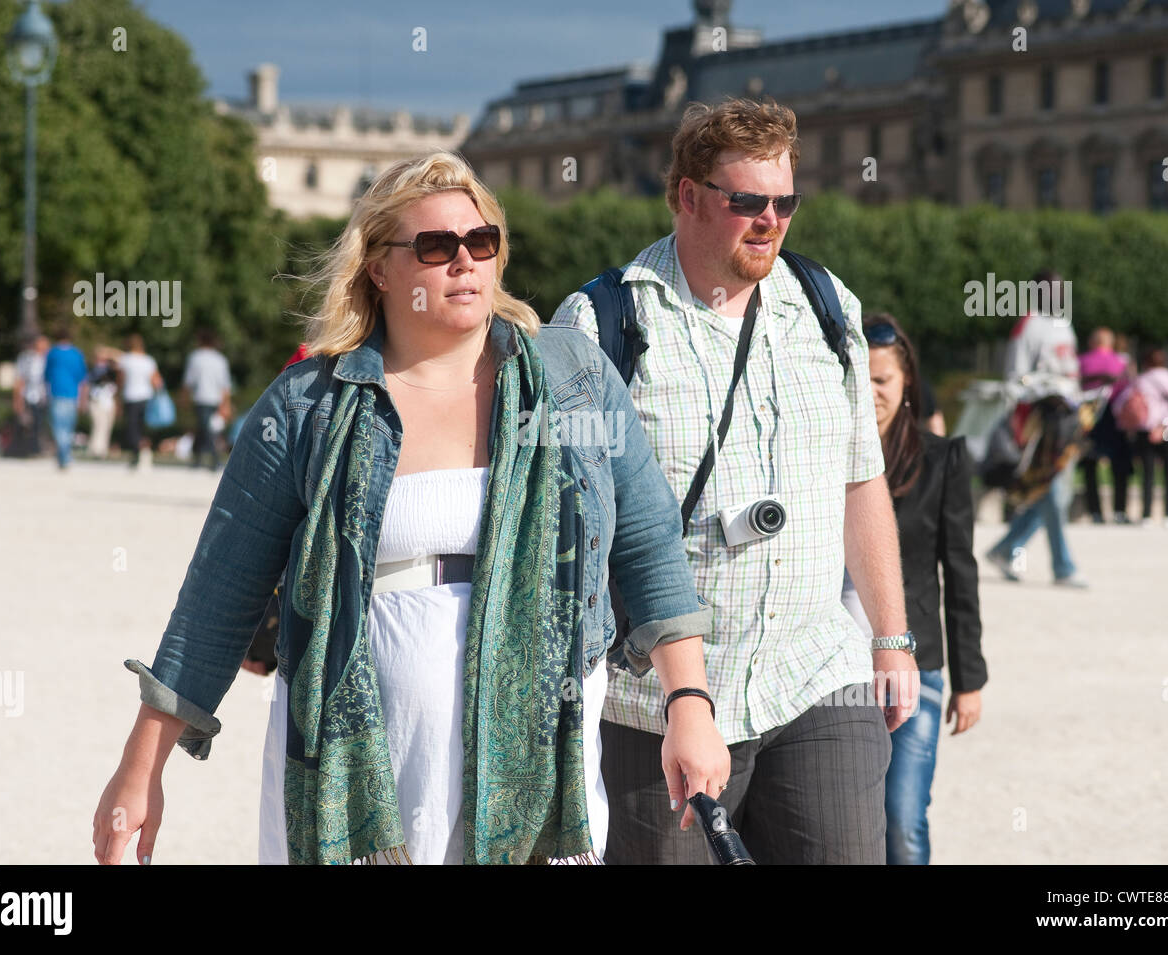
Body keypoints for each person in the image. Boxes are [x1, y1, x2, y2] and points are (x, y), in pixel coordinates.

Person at [92, 151, 728, 866]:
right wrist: (141, 770)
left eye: (480, 241)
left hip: (542, 750)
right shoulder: (309, 405)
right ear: (380, 267)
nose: (464, 261)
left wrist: (690, 704)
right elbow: (219, 595)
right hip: (362, 759)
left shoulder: (573, 375)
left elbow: (647, 547)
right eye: (436, 246)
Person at [550, 98, 917, 864]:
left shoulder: (827, 306)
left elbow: (862, 481)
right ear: (687, 195)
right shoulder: (598, 326)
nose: (770, 221)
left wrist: (890, 638)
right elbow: (567, 528)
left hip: (815, 675)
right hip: (652, 701)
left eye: (786, 202)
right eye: (746, 200)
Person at [841, 315, 986, 865]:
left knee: (902, 820)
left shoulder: (943, 459)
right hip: (832, 671)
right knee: (844, 824)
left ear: (907, 387)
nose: (872, 392)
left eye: (884, 380)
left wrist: (969, 681)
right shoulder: (819, 456)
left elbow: (961, 573)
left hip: (915, 666)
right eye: (862, 379)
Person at [984, 270, 1087, 587]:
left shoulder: (1064, 325)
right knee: (1052, 492)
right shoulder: (1027, 326)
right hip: (1041, 421)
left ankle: (1006, 548)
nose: (1058, 295)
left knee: (1056, 494)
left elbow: (1071, 374)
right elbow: (1016, 378)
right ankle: (1064, 567)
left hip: (1067, 420)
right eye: (1052, 289)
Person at [1114, 347, 1168, 528]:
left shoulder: (1139, 381)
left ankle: (1146, 514)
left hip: (1145, 430)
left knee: (1147, 473)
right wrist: (1164, 427)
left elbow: (1120, 405)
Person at [1078, 327, 1132, 524]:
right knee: (1120, 466)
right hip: (1115, 419)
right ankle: (1120, 511)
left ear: (1093, 342)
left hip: (1089, 418)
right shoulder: (1122, 362)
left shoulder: (1081, 361)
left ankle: (1095, 511)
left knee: (1090, 466)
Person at [182, 329, 233, 470]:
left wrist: (184, 398)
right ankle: (198, 458)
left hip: (201, 398)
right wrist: (226, 404)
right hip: (216, 399)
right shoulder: (220, 359)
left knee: (206, 430)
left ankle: (214, 460)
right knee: (203, 428)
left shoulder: (195, 357)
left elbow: (188, 381)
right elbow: (225, 385)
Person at [43, 324, 90, 470]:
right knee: (68, 428)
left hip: (56, 393)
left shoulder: (52, 353)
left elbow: (46, 376)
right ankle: (65, 455)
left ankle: (63, 455)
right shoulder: (77, 354)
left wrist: (45, 393)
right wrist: (84, 399)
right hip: (72, 395)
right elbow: (83, 380)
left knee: (58, 427)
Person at [114, 333, 162, 470]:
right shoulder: (149, 360)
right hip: (146, 397)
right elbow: (157, 381)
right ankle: (143, 451)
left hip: (131, 397)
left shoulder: (125, 360)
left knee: (132, 428)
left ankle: (138, 453)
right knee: (141, 427)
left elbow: (120, 381)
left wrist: (117, 397)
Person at [12, 334, 50, 457]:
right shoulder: (27, 358)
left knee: (40, 424)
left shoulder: (49, 358)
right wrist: (17, 399)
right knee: (29, 424)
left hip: (44, 396)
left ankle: (37, 448)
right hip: (29, 396)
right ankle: (29, 448)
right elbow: (20, 379)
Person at [86, 347, 120, 459]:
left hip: (109, 402)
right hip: (96, 401)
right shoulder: (93, 369)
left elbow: (122, 358)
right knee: (98, 425)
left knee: (107, 426)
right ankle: (95, 449)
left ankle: (102, 450)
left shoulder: (111, 369)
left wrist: (110, 353)